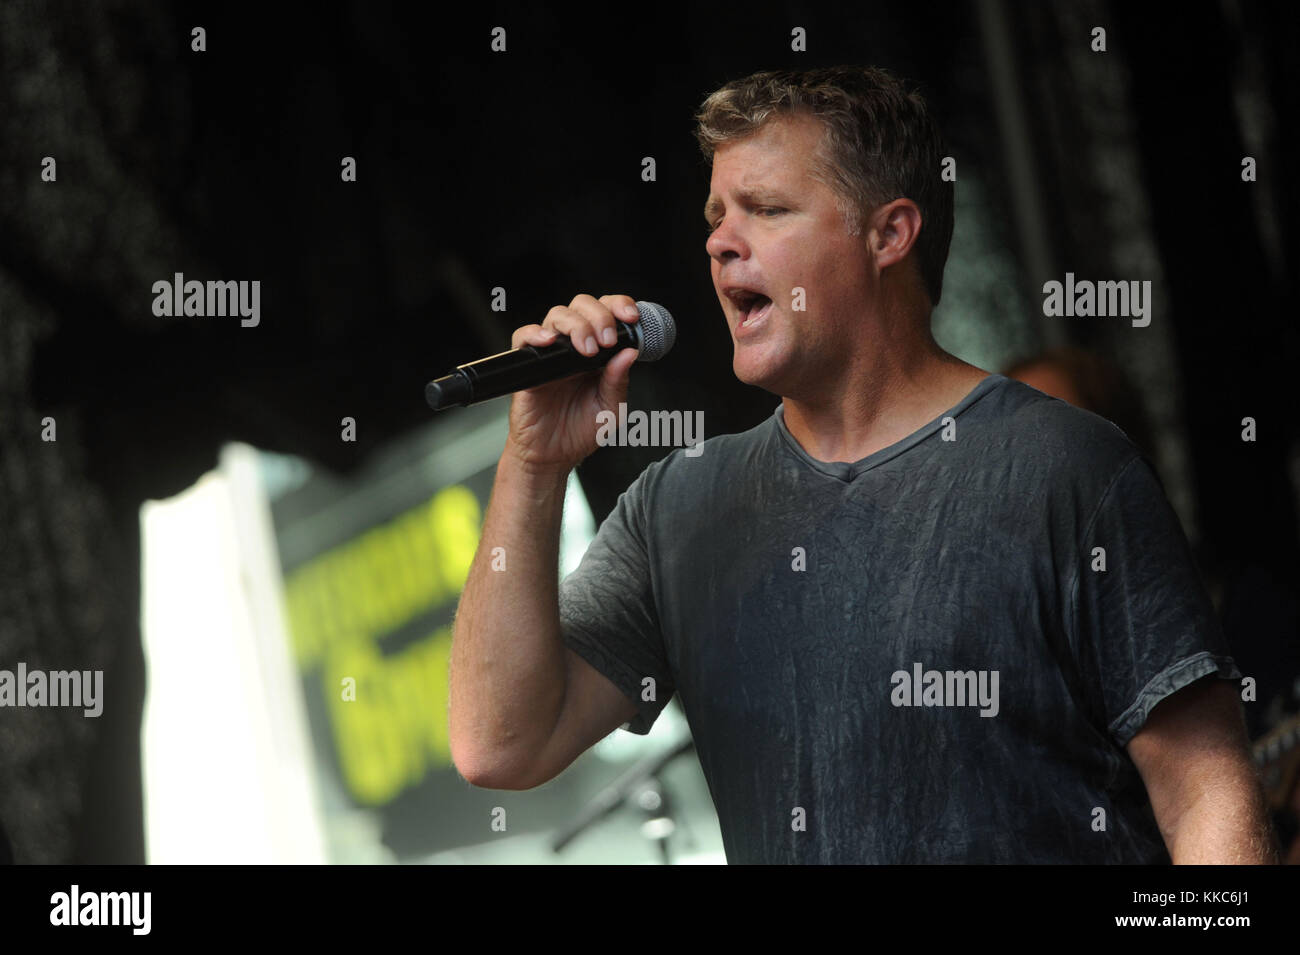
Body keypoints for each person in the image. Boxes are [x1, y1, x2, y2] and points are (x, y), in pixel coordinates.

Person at [448, 66, 1277, 863]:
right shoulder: (679, 509)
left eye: (766, 209)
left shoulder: (1066, 467)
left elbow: (1208, 793)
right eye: (715, 214)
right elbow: (499, 743)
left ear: (889, 233)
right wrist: (533, 462)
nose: (719, 242)